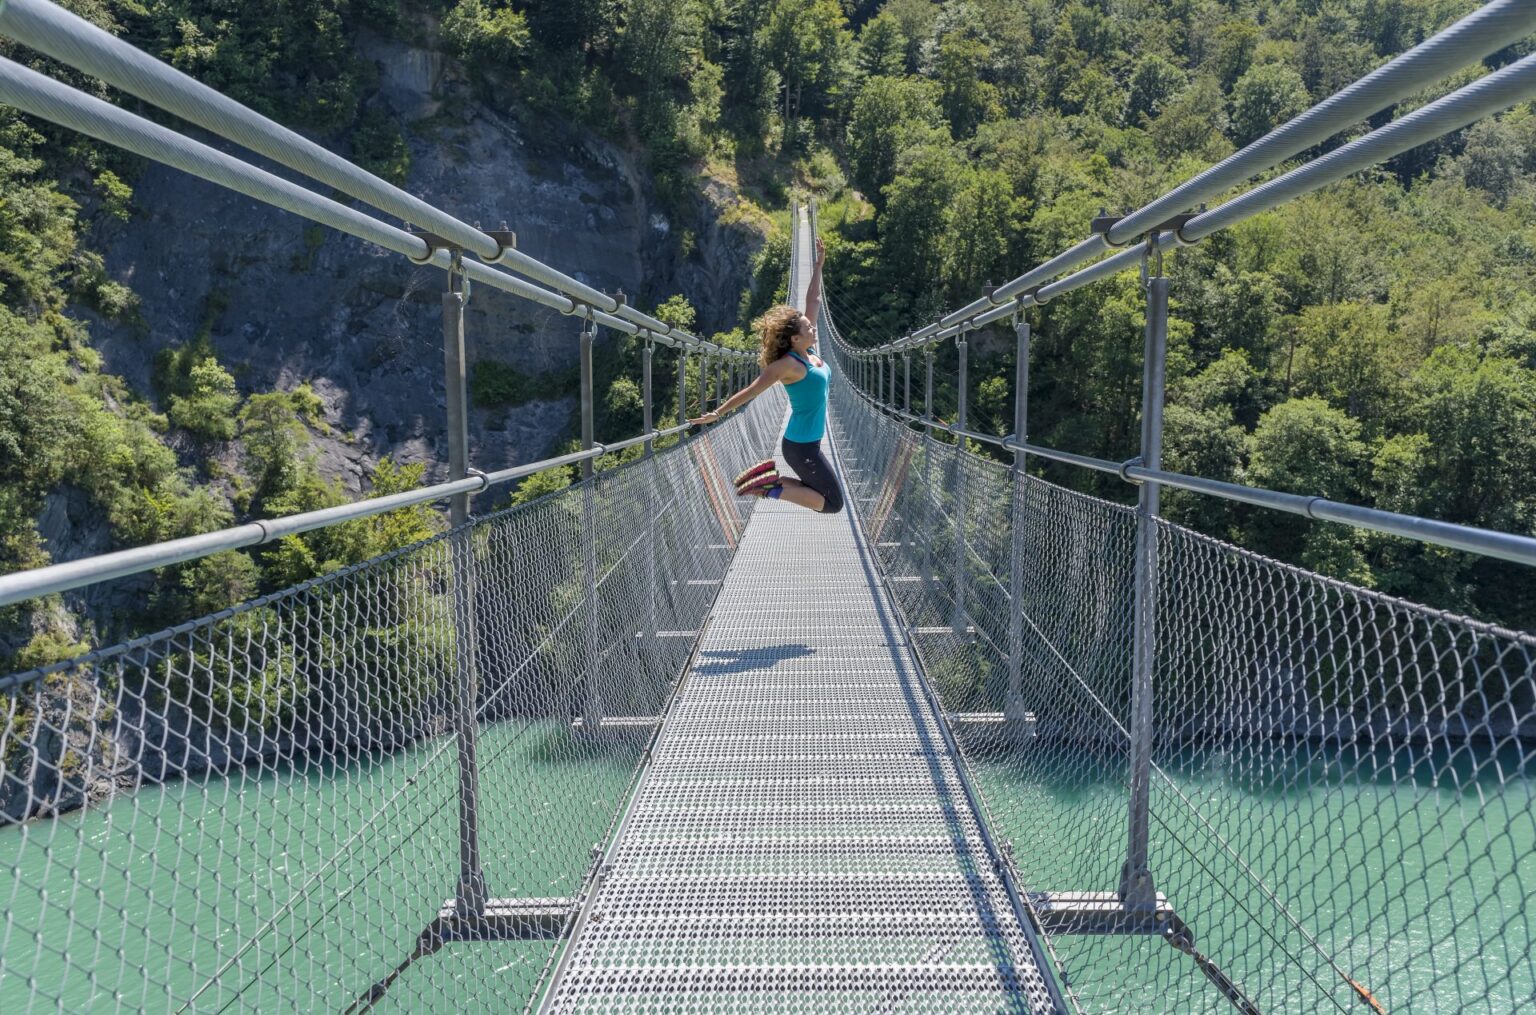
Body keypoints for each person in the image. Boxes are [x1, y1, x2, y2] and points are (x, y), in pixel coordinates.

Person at [688, 237, 844, 515]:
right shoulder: (789, 365)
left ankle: (771, 481)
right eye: (809, 327)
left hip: (808, 443)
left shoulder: (809, 352)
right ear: (796, 338)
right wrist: (718, 412)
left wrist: (819, 265)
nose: (814, 327)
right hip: (800, 447)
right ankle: (769, 487)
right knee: (833, 504)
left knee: (827, 497)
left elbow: (814, 299)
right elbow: (752, 391)